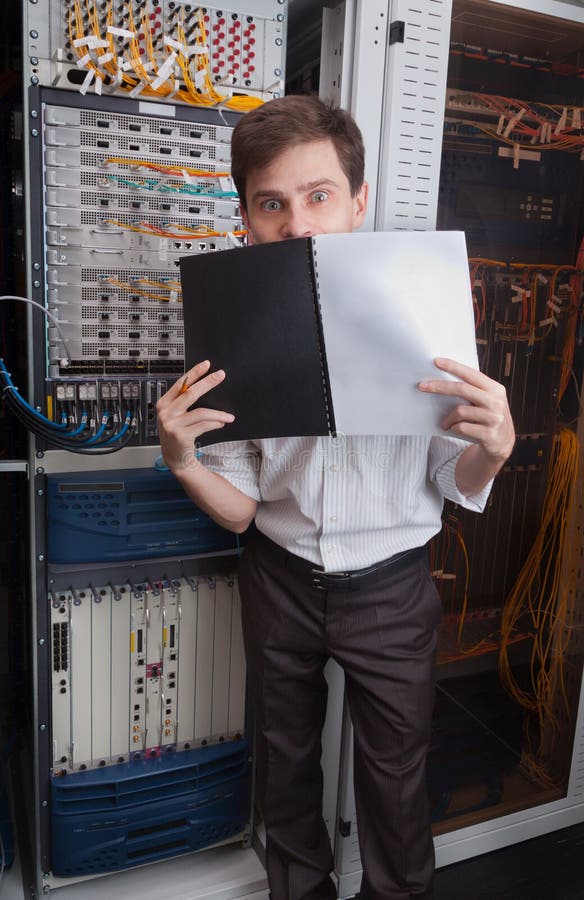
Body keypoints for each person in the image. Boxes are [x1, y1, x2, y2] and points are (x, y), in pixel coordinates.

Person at [157, 95, 515, 900]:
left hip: (391, 584)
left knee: (394, 780)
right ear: (245, 216)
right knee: (282, 772)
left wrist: (490, 452)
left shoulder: (424, 311)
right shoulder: (234, 328)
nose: (299, 224)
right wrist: (182, 460)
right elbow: (244, 508)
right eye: (272, 204)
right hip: (278, 576)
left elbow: (447, 480)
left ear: (358, 200)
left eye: (319, 196)